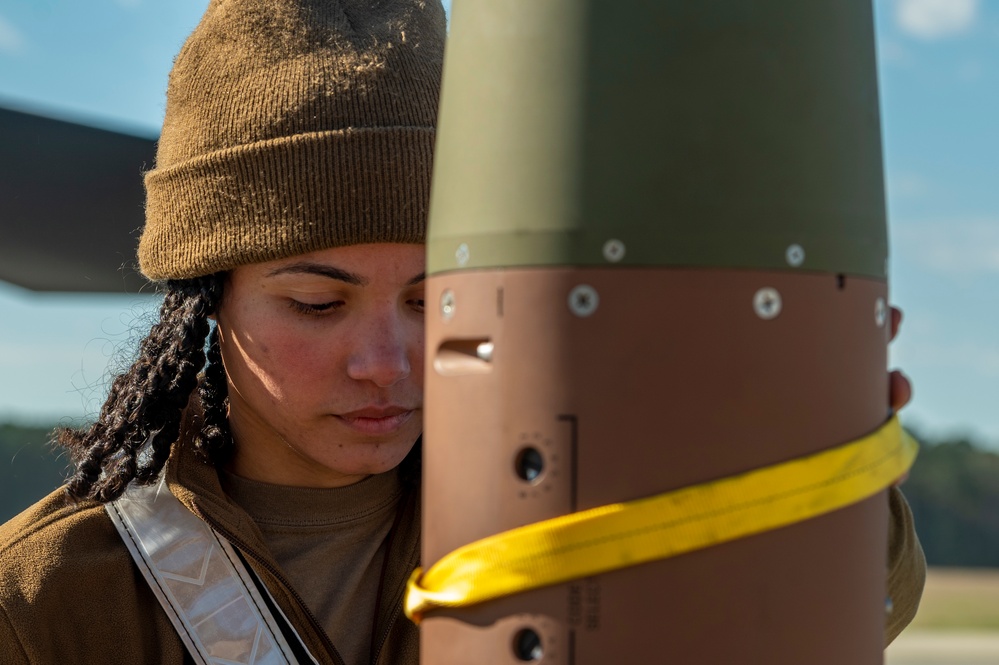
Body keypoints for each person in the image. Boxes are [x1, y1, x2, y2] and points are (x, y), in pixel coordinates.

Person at [0, 0, 923, 663]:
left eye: (434, 302)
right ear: (205, 304)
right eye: (318, 303)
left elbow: (845, 606)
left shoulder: (554, 503)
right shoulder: (45, 601)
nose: (387, 363)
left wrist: (810, 440)